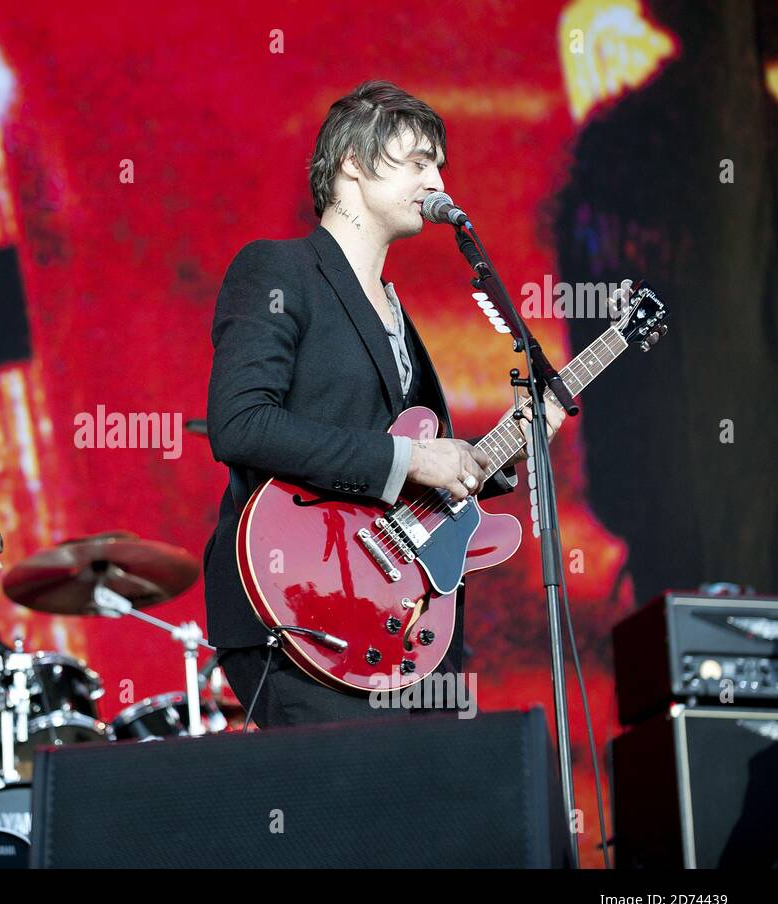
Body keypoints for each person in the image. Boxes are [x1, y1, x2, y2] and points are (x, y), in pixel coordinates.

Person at [204, 80, 563, 728]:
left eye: (440, 163)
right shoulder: (278, 271)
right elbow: (240, 423)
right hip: (305, 605)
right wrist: (408, 457)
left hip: (410, 625)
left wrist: (511, 444)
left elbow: (425, 482)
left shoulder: (401, 314)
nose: (438, 177)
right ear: (351, 162)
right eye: (420, 159)